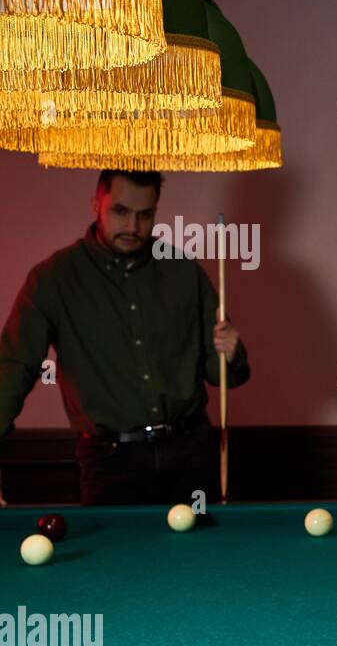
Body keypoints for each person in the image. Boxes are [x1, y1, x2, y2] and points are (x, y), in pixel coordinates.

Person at [0, 170, 250, 505]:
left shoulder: (181, 269)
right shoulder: (54, 277)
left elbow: (219, 370)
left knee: (201, 555)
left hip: (190, 452)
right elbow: (15, 367)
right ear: (96, 205)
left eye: (144, 215)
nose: (133, 227)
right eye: (120, 211)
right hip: (110, 461)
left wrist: (230, 354)